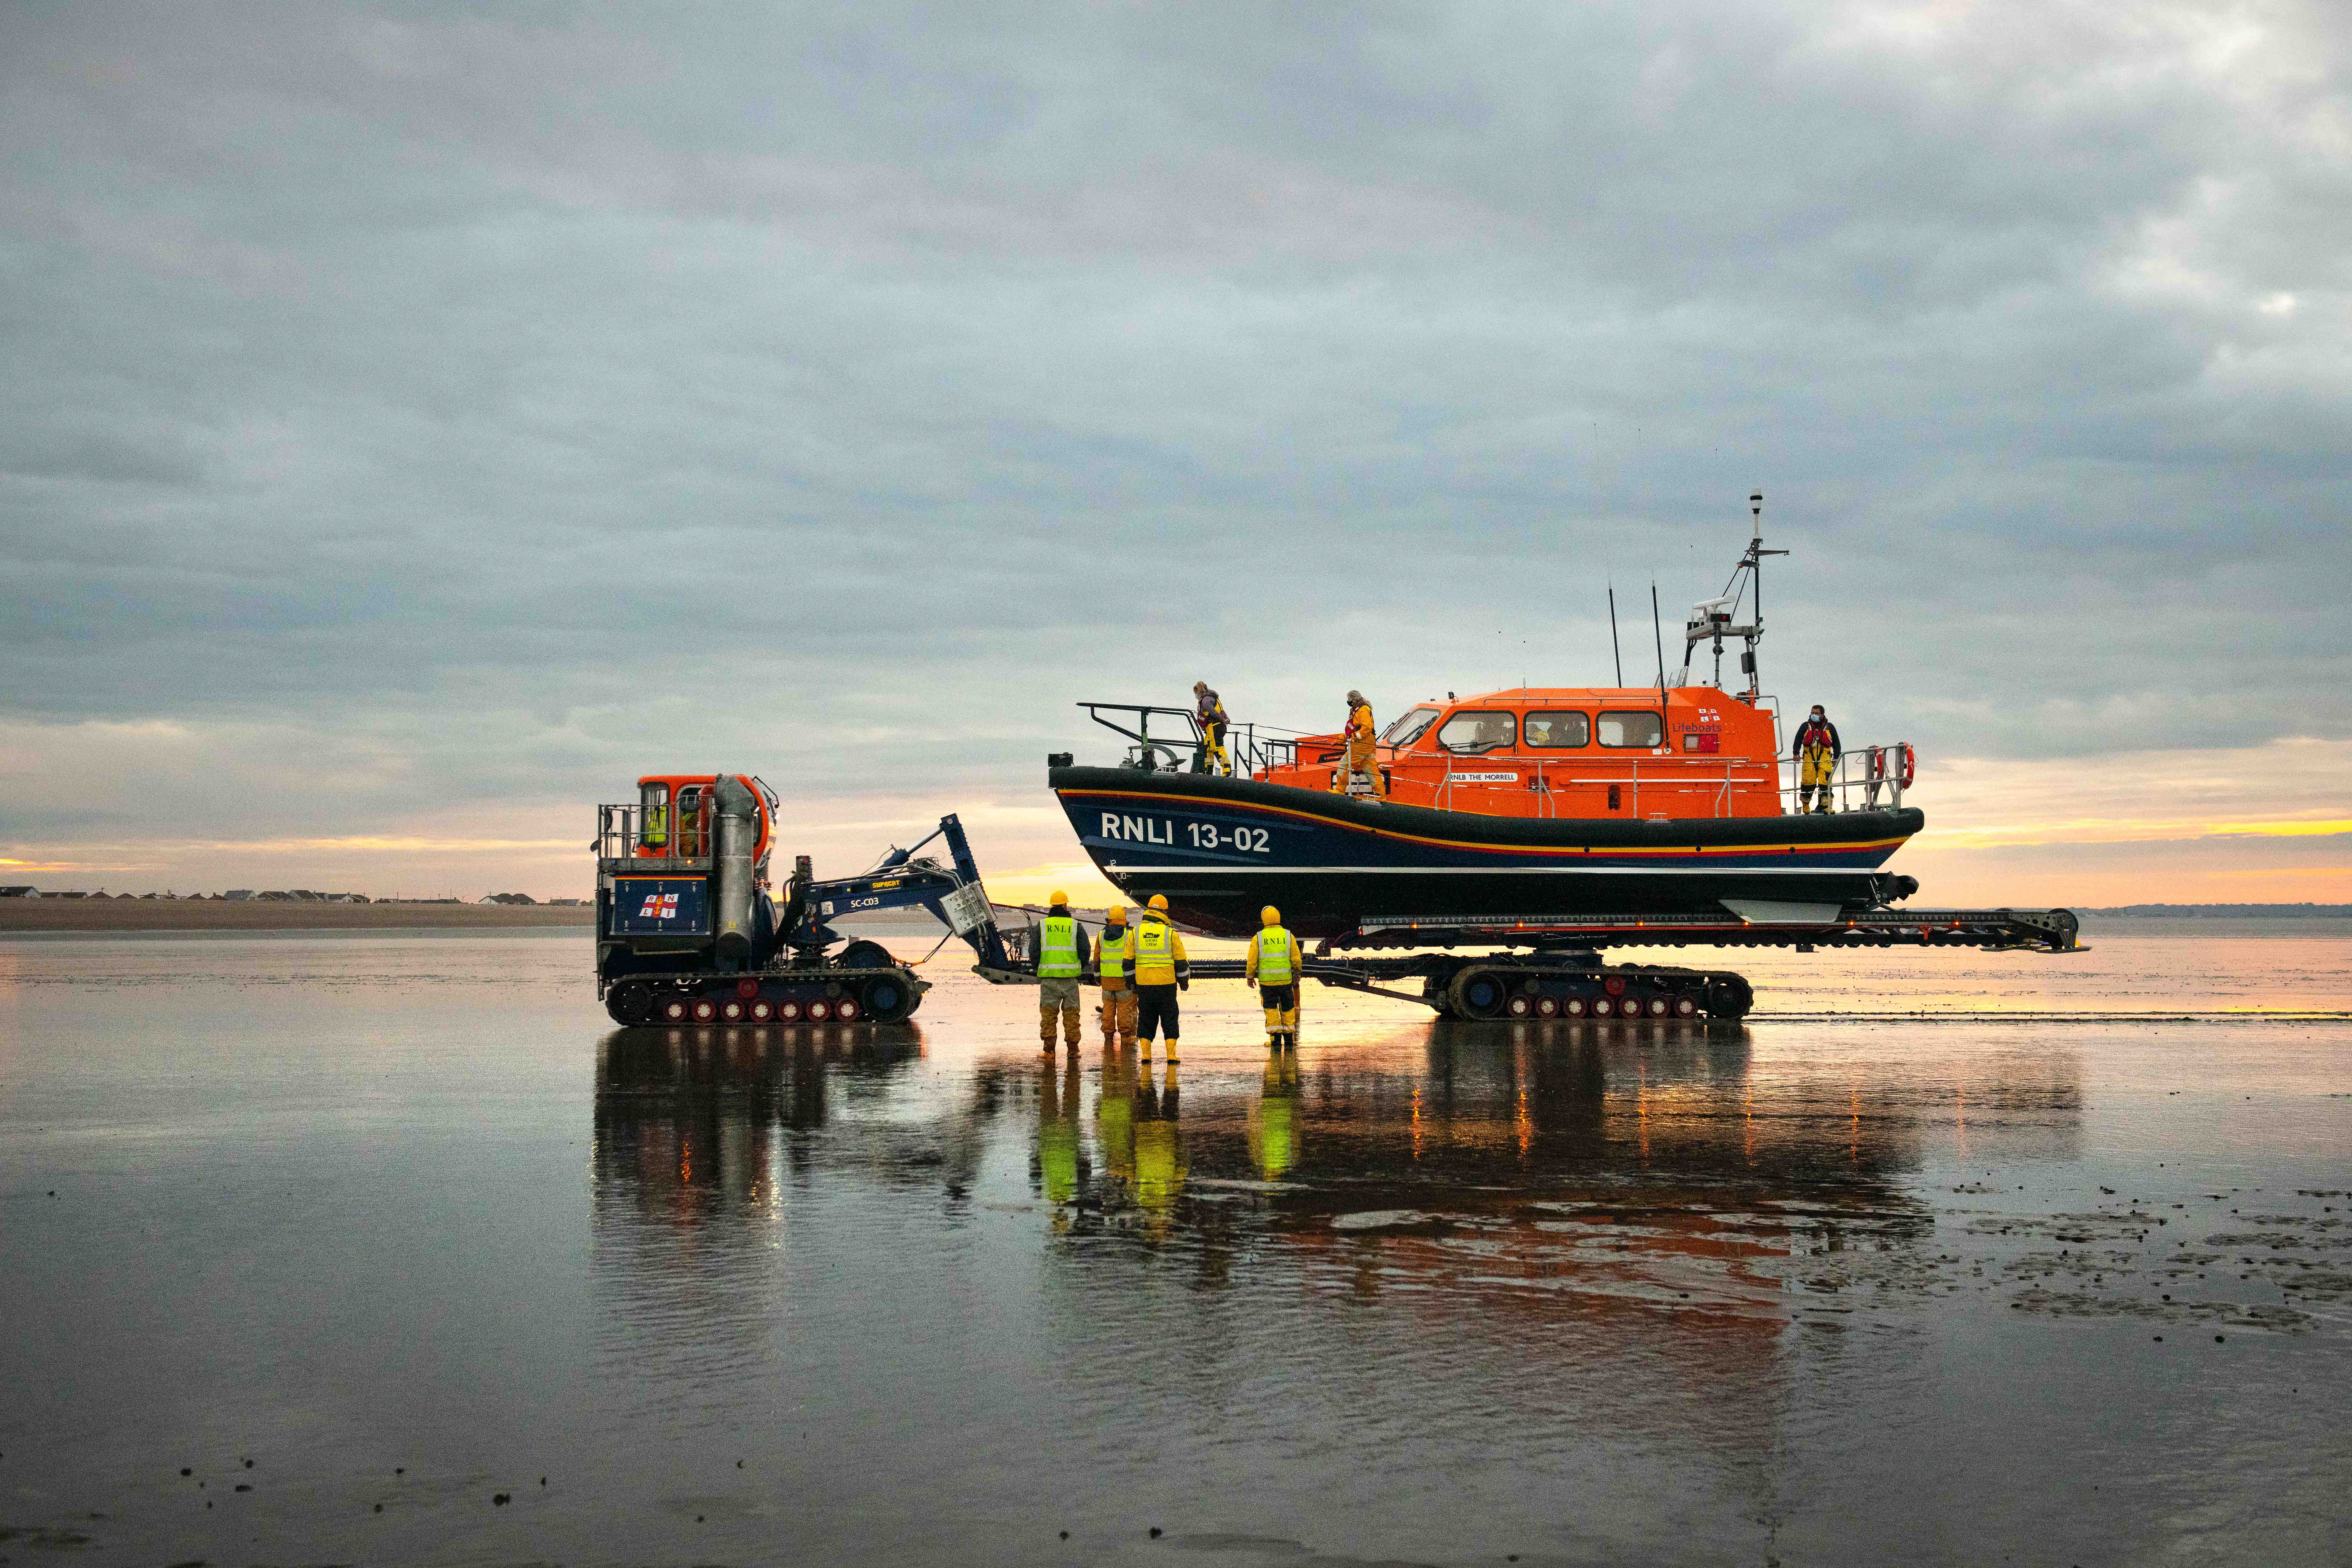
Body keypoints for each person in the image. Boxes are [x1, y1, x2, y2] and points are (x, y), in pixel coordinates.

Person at [1131, 893, 1189, 1067]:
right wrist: (1184, 983)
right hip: (1166, 986)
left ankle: (1146, 1057)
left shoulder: (1136, 932)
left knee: (1146, 1019)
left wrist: (1132, 985)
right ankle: (1171, 1056)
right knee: (1170, 1019)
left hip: (1144, 986)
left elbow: (1127, 963)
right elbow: (1181, 963)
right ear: (1165, 912)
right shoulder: (1170, 934)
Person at [1035, 890, 1092, 1053]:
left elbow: (1034, 951)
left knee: (1048, 1016)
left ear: (1051, 906)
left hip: (1048, 979)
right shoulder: (1075, 926)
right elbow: (1085, 949)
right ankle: (1073, 1051)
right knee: (1072, 1016)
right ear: (1066, 905)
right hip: (1070, 979)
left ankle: (1049, 1051)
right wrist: (1079, 967)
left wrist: (1040, 967)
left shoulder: (1042, 926)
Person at [1246, 903, 1300, 1051]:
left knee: (1271, 1009)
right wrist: (1297, 973)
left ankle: (1275, 1040)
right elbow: (1296, 957)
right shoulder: (1288, 935)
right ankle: (1289, 1040)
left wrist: (1250, 976)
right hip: (1285, 981)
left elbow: (1252, 959)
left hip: (1267, 983)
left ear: (1264, 919)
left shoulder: (1259, 937)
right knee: (1288, 1008)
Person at [1094, 903, 1137, 1047]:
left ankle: (1108, 1038)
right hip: (1124, 982)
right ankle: (1126, 1038)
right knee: (1125, 1010)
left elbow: (1097, 959)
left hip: (1107, 982)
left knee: (1108, 1010)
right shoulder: (1129, 935)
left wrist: (1097, 977)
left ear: (1109, 919)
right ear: (1125, 919)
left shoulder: (1101, 935)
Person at [1332, 689, 1386, 797]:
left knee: (1344, 764)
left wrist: (1355, 737)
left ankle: (1340, 790)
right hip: (1367, 747)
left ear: (1353, 699)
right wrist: (1339, 741)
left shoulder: (1363, 710)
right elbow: (1351, 732)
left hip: (1361, 747)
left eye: (1349, 700)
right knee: (1370, 771)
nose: (1348, 702)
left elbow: (1367, 728)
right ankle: (1381, 795)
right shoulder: (1359, 710)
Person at [1793, 705, 1842, 814]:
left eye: (1817, 713)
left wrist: (1837, 757)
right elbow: (1798, 740)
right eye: (1813, 713)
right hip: (1809, 758)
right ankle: (1806, 804)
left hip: (1825, 758)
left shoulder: (1830, 727)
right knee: (1808, 783)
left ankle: (1827, 806)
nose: (1814, 715)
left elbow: (1837, 743)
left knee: (1825, 783)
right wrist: (1796, 753)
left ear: (1822, 715)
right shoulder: (1805, 726)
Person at [1192, 681, 1232, 775]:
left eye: (1196, 693)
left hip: (1215, 727)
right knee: (1207, 748)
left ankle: (1227, 769)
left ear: (1200, 691)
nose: (1196, 695)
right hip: (1213, 728)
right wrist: (1226, 719)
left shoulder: (1205, 700)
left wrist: (1223, 720)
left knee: (1217, 748)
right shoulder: (1214, 699)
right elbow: (1221, 711)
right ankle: (1208, 771)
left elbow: (1212, 712)